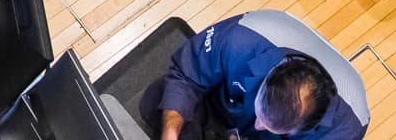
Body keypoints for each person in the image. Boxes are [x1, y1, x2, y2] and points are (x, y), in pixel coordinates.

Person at [140, 13, 365, 140]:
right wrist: (171, 132)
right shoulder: (240, 38)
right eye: (260, 115)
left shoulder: (344, 130)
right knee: (157, 101)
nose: (257, 125)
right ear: (271, 75)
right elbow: (186, 75)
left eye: (269, 126)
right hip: (220, 105)